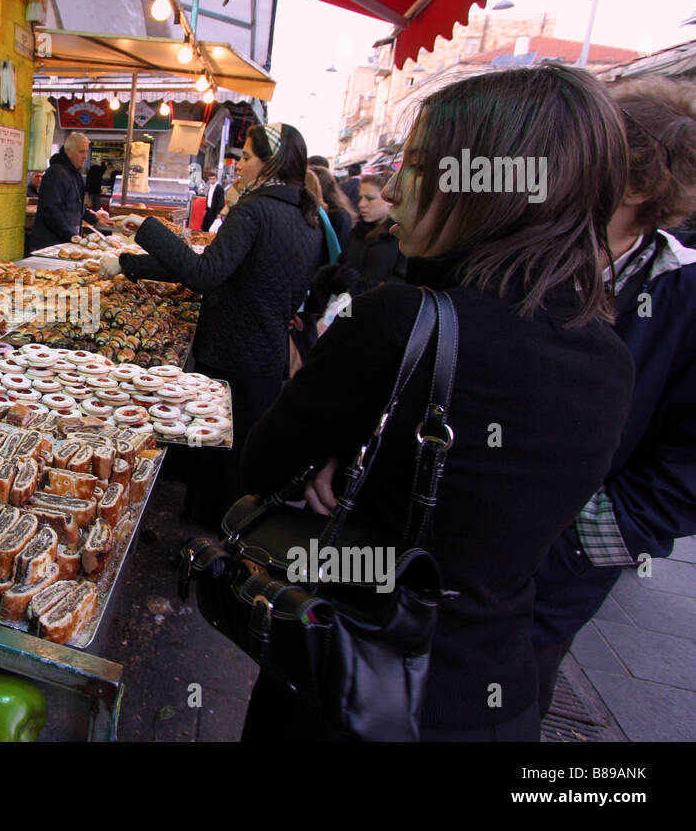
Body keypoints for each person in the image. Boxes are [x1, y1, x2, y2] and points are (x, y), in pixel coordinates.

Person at [238, 63, 634, 742]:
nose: (393, 189)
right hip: (495, 698)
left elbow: (257, 469)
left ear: (485, 187)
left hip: (353, 679)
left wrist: (335, 457)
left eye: (417, 168)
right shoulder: (609, 356)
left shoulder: (400, 320)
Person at [531, 75, 696, 717]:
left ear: (638, 185)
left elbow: (681, 475)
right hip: (435, 559)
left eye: (579, 150)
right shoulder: (510, 252)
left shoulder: (680, 298)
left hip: (545, 589)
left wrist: (566, 554)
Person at [101, 123, 325, 525]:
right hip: (266, 354)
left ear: (270, 162)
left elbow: (205, 274)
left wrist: (146, 228)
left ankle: (208, 550)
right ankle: (225, 535)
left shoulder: (254, 210)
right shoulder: (306, 216)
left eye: (248, 157)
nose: (239, 165)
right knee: (238, 458)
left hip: (232, 351)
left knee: (220, 456)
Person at [28, 133, 102, 251]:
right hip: (50, 244)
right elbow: (51, 210)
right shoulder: (56, 174)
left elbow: (77, 206)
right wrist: (72, 235)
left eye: (86, 152)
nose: (85, 156)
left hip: (65, 242)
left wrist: (96, 219)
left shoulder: (75, 173)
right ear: (68, 151)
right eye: (81, 151)